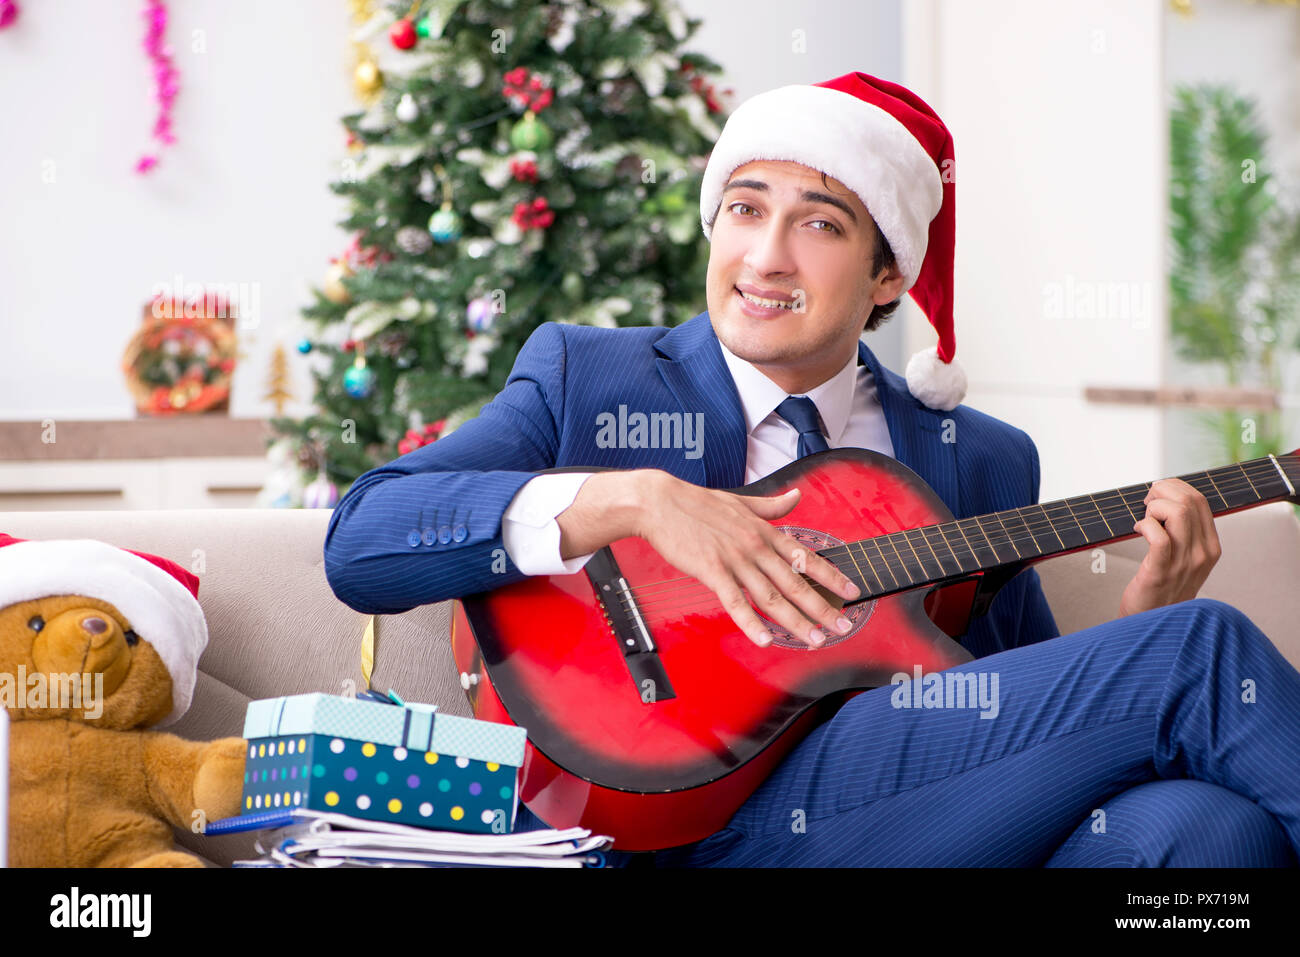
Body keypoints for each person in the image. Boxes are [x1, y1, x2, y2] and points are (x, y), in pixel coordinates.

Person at [323, 71, 1300, 867]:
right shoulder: (587, 374)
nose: (765, 257)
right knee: (1198, 652)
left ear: (888, 276)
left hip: (886, 823)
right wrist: (637, 501)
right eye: (745, 210)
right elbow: (364, 542)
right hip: (649, 822)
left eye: (820, 224)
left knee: (1209, 834)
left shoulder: (980, 456)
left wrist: (1141, 615)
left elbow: (1005, 706)